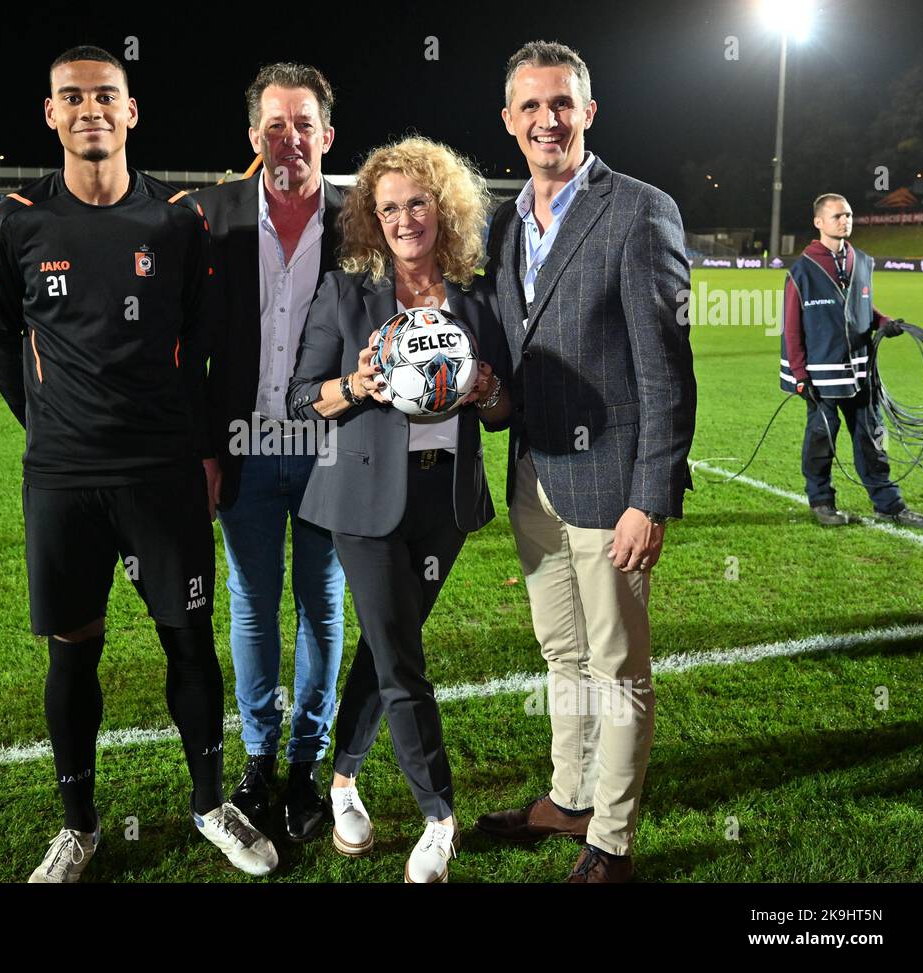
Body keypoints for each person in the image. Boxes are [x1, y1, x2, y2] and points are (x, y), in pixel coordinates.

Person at [0, 45, 277, 883]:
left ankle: (212, 802)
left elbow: (207, 341)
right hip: (64, 483)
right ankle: (79, 827)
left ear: (131, 112)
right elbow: (0, 338)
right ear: (51, 114)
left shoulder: (179, 220)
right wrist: (49, 426)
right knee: (73, 652)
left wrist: (201, 446)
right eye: (72, 97)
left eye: (106, 95)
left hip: (164, 475)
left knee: (188, 642)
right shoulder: (15, 220)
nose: (90, 109)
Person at [476, 40, 697, 883]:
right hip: (534, 476)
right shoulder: (506, 221)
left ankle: (610, 837)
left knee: (617, 665)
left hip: (612, 485)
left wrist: (652, 495)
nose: (547, 119)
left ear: (589, 111)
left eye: (562, 102)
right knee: (561, 654)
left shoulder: (642, 210)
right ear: (509, 120)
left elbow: (667, 373)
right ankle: (569, 794)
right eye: (530, 106)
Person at [287, 136, 509, 883]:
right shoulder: (347, 294)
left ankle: (342, 779)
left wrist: (487, 392)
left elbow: (506, 407)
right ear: (370, 219)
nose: (405, 218)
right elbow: (301, 397)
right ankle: (438, 816)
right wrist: (357, 387)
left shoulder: (475, 298)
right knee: (404, 659)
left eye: (417, 202)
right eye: (388, 207)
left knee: (388, 643)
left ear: (442, 208)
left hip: (443, 500)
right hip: (361, 501)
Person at [196, 64, 347, 842]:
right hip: (245, 446)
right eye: (274, 125)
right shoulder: (211, 215)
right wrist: (204, 445)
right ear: (255, 138)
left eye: (304, 123)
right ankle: (258, 761)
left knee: (322, 604)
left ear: (328, 134)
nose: (290, 138)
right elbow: (186, 344)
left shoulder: (359, 222)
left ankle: (304, 768)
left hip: (330, 449)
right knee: (253, 603)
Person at [780, 193, 923, 528]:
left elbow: (863, 308)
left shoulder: (862, 260)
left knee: (872, 438)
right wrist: (800, 375)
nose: (844, 220)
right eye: (837, 216)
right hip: (822, 376)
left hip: (860, 371)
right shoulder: (801, 271)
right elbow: (791, 328)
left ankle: (889, 505)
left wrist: (883, 322)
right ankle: (821, 502)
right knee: (821, 439)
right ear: (819, 222)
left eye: (848, 215)